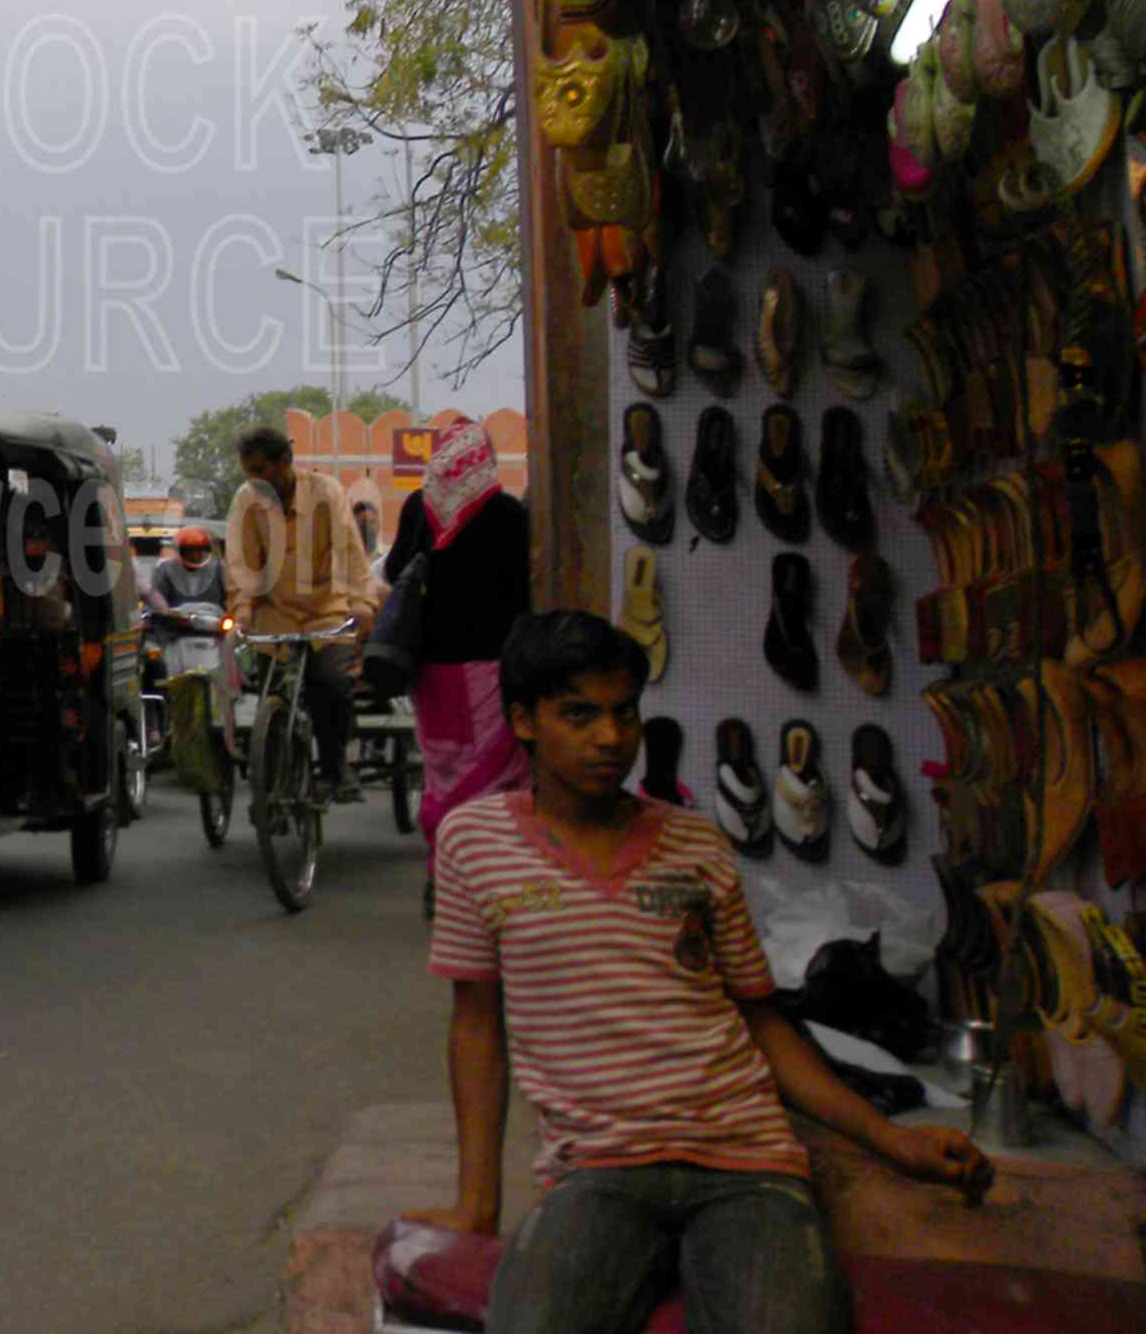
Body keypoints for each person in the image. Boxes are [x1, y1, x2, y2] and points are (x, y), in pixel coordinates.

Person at [409, 610, 992, 1334]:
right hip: (599, 1169)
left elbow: (762, 1022)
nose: (610, 738)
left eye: (626, 714)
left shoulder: (696, 843)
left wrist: (891, 1138)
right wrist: (477, 1203)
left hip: (747, 1163)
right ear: (524, 721)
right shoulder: (476, 842)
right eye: (580, 715)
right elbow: (476, 1026)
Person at [384, 420, 533, 858]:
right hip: (492, 668)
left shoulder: (418, 507)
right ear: (484, 459)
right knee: (495, 774)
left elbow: (395, 572)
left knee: (443, 768)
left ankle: (446, 869)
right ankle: (493, 870)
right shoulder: (507, 513)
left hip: (430, 670)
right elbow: (526, 589)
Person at [224, 424, 376, 801]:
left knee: (330, 685)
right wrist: (242, 609)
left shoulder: (326, 493)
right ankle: (273, 782)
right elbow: (242, 563)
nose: (256, 481)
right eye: (250, 473)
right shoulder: (247, 500)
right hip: (275, 614)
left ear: (286, 462)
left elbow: (350, 553)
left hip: (327, 610)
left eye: (263, 470)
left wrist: (360, 602)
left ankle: (336, 765)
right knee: (270, 695)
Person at [145, 526, 227, 614]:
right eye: (189, 550)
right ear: (179, 550)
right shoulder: (164, 570)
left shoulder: (219, 567)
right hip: (175, 622)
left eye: (199, 550)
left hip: (215, 622)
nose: (195, 555)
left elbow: (231, 595)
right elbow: (155, 599)